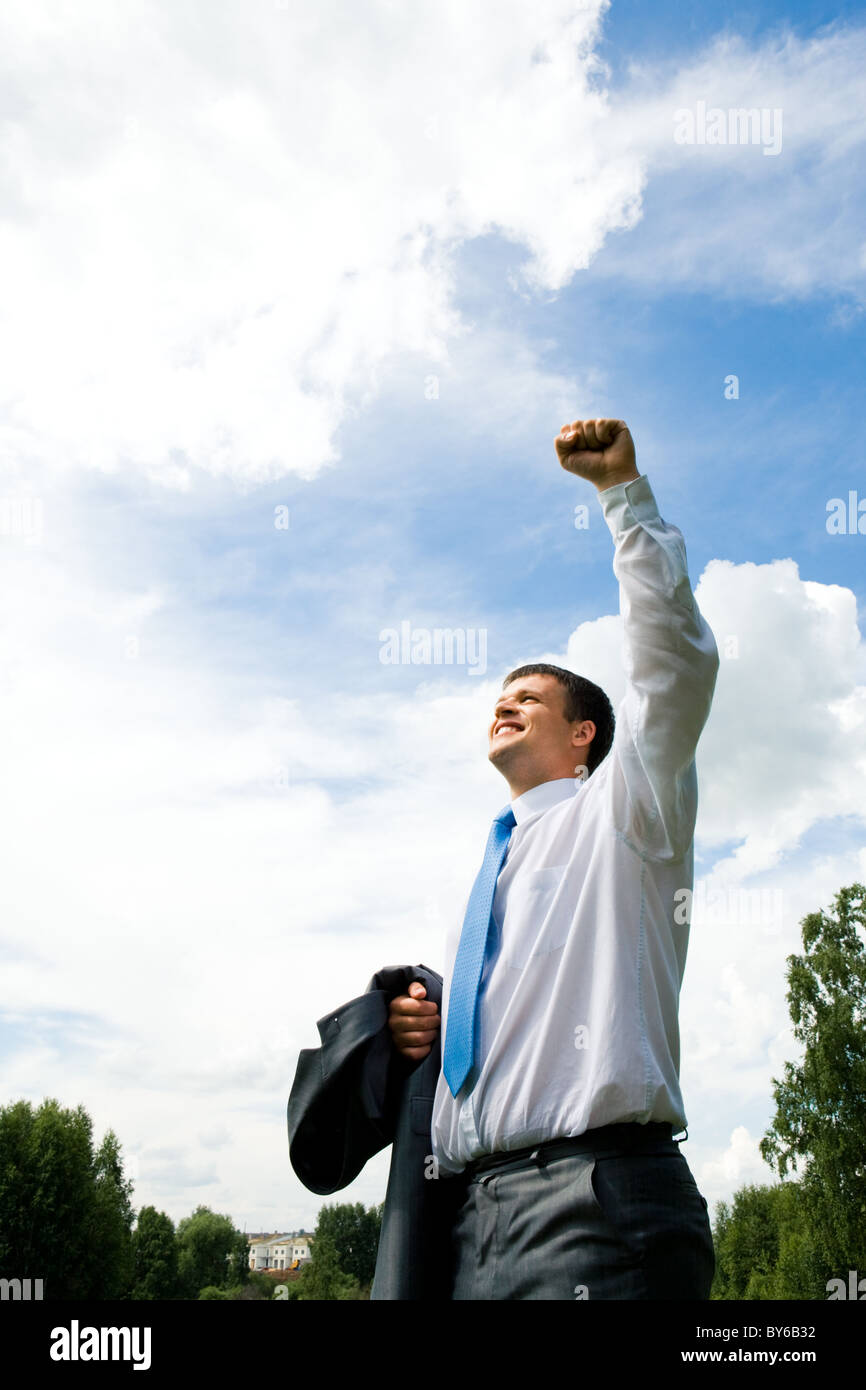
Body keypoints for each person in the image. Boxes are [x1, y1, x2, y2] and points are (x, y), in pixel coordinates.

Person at [387, 417, 720, 1299]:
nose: (506, 705)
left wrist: (623, 499)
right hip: (468, 1220)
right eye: (500, 697)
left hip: (593, 1207)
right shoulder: (489, 871)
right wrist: (425, 1030)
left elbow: (674, 672)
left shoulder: (627, 814)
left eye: (529, 697)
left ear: (583, 736)